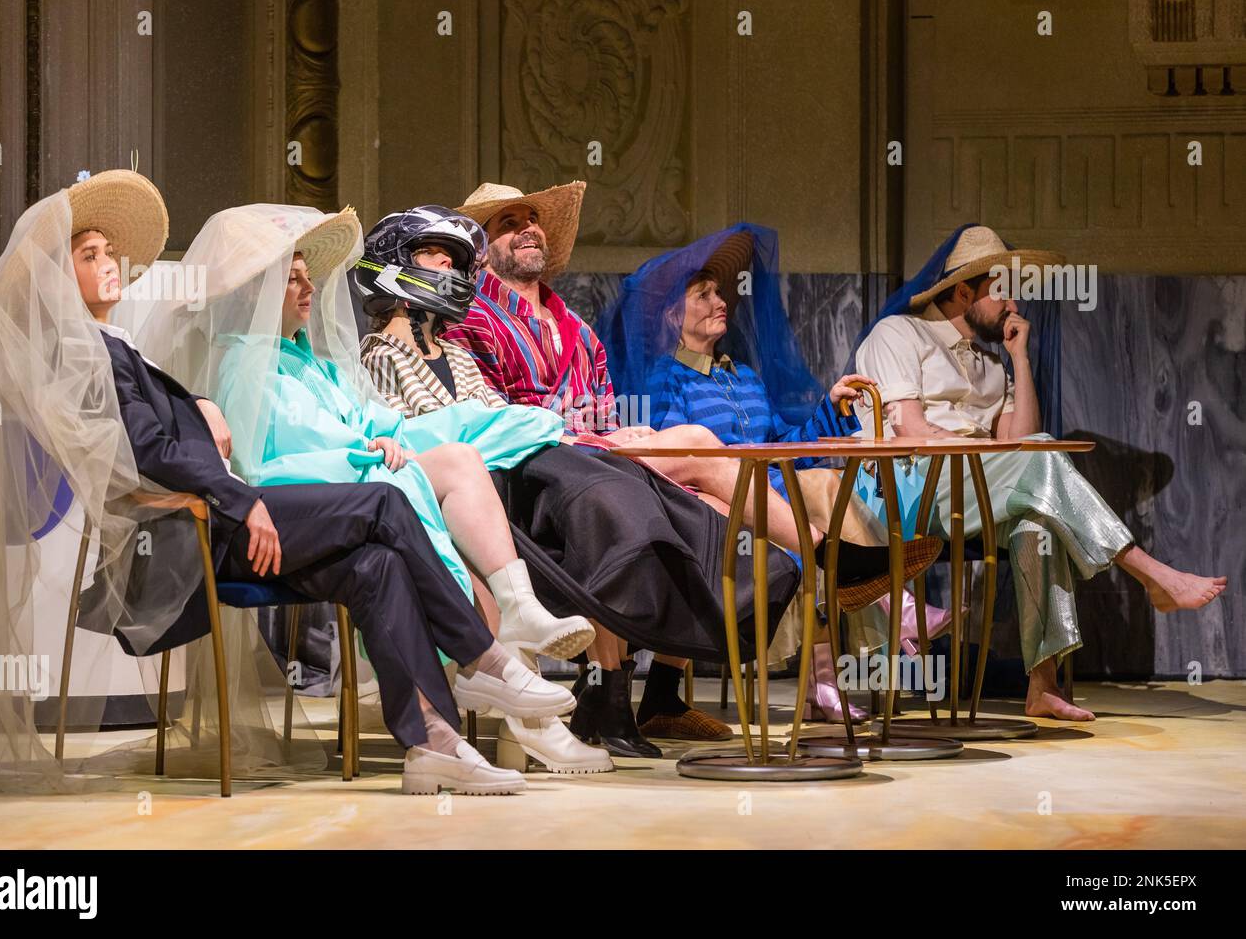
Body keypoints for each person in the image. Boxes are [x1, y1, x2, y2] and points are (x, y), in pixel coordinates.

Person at [0, 168, 580, 796]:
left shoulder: (116, 348)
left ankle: (430, 740)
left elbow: (158, 431)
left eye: (111, 252)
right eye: (91, 255)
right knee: (385, 501)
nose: (110, 263)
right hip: (199, 529)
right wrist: (238, 496)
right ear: (61, 278)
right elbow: (144, 450)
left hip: (233, 516)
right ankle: (482, 656)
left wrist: (199, 403)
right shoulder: (82, 352)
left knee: (376, 567)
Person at [443, 180, 941, 738]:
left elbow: (613, 408)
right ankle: (833, 566)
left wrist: (617, 432)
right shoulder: (470, 318)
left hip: (598, 460)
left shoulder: (576, 327)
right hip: (534, 471)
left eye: (531, 218)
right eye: (508, 222)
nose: (528, 227)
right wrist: (594, 435)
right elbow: (486, 416)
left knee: (716, 501)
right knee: (698, 444)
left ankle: (644, 694)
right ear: (481, 247)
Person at [355, 205, 792, 760]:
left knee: (640, 494)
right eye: (432, 256)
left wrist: (561, 429)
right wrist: (541, 427)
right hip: (478, 492)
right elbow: (438, 435)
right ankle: (590, 701)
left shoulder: (468, 351)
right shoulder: (380, 355)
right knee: (622, 490)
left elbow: (501, 415)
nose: (447, 265)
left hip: (530, 468)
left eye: (454, 257)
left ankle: (605, 697)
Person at [138, 204, 595, 673]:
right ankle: (484, 659)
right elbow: (272, 462)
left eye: (306, 276)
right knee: (430, 486)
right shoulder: (245, 364)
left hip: (353, 482)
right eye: (294, 279)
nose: (310, 287)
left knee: (459, 457)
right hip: (299, 509)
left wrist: (532, 423)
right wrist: (366, 453)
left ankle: (515, 613)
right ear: (259, 290)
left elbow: (384, 425)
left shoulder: (315, 365)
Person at [852, 224, 1228, 721]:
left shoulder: (991, 363)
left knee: (1039, 526)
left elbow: (1023, 438)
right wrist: (987, 452)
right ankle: (1152, 574)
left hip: (981, 489)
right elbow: (910, 432)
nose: (1014, 304)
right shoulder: (899, 333)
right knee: (1041, 455)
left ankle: (1043, 684)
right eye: (1002, 292)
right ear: (964, 292)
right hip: (914, 483)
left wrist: (1019, 358)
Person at [599, 223, 951, 722]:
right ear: (674, 315)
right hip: (710, 504)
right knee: (810, 514)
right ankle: (894, 612)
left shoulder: (743, 377)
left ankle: (831, 677)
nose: (722, 301)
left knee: (826, 483)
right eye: (704, 295)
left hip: (769, 490)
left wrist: (831, 408)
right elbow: (679, 465)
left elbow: (784, 449)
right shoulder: (662, 380)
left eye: (719, 292)